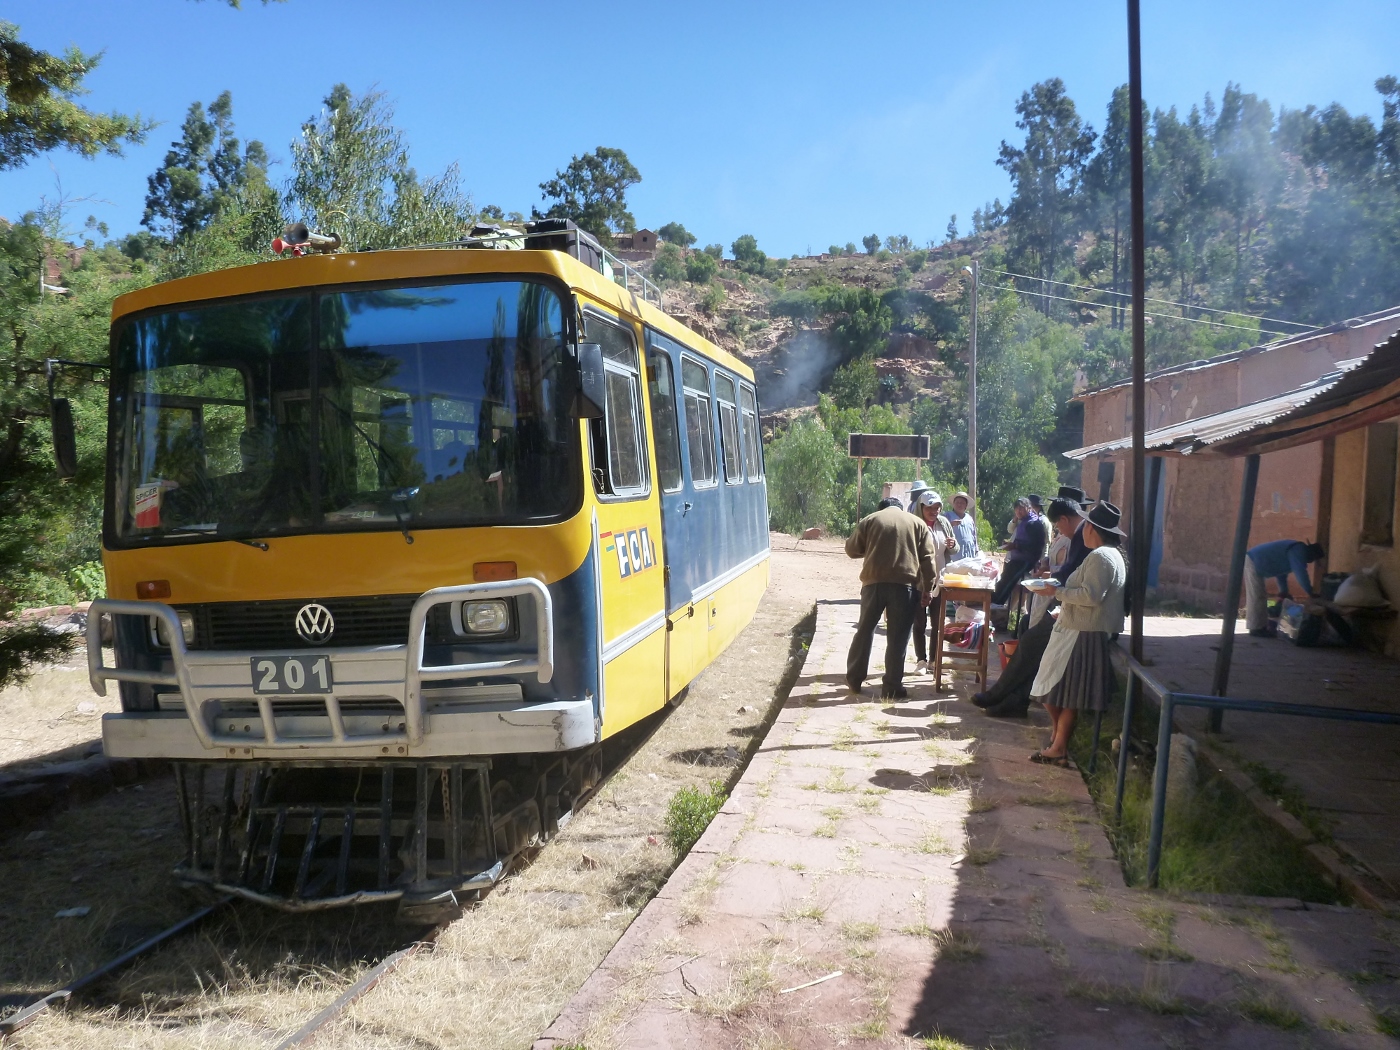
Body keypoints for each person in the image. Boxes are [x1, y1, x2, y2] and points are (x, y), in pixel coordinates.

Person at [973, 486, 1094, 718]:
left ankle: (1001, 694)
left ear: (1065, 517)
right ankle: (1012, 700)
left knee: (1031, 642)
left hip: (1077, 613)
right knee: (1030, 639)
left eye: (1058, 524)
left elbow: (1077, 577)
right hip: (1066, 605)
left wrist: (1054, 584)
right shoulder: (1077, 534)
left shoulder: (1083, 536)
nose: (1058, 529)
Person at [1027, 501, 1128, 766]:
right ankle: (1058, 743)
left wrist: (1057, 593)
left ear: (1092, 529)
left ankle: (1059, 745)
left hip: (1082, 633)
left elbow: (1091, 596)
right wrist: (1065, 605)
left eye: (1086, 525)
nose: (1083, 530)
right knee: (1063, 693)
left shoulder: (1101, 557)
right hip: (1079, 627)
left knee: (1056, 689)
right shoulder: (1107, 555)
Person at [845, 496, 938, 699]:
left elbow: (851, 550)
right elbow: (928, 559)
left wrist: (872, 547)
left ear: (881, 508)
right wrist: (928, 588)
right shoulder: (917, 523)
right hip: (905, 587)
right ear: (900, 508)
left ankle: (854, 679)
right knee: (898, 637)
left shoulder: (870, 520)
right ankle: (892, 687)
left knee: (864, 631)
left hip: (873, 584)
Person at [911, 491, 957, 674]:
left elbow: (953, 549)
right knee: (919, 623)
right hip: (918, 580)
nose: (933, 511)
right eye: (929, 508)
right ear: (921, 508)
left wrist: (953, 545)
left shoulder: (943, 523)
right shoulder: (914, 524)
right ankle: (921, 660)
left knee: (938, 624)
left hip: (940, 580)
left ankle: (933, 661)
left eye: (937, 507)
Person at [1245, 539, 1325, 637]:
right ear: (1311, 554)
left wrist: (1283, 591)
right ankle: (1256, 629)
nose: (1311, 562)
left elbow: (1280, 573)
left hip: (1255, 560)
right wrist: (1310, 591)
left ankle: (1260, 627)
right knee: (1256, 597)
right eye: (1313, 559)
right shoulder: (1298, 550)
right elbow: (1301, 573)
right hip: (1253, 561)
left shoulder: (1294, 550)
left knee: (1259, 596)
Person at [992, 498, 1047, 607]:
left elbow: (1035, 546)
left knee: (1007, 583)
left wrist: (1015, 546)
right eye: (1016, 509)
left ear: (1029, 508)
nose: (1018, 511)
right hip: (1017, 558)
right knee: (1003, 580)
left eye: (1021, 508)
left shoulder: (1033, 523)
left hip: (1026, 561)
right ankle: (994, 603)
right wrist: (1010, 544)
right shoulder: (1023, 521)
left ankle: (996, 605)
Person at [945, 491, 979, 561]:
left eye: (962, 503)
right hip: (954, 553)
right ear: (953, 504)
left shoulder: (969, 518)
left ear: (966, 505)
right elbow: (940, 530)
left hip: (969, 552)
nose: (959, 505)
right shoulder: (947, 516)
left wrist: (976, 550)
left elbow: (974, 535)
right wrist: (950, 525)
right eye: (957, 502)